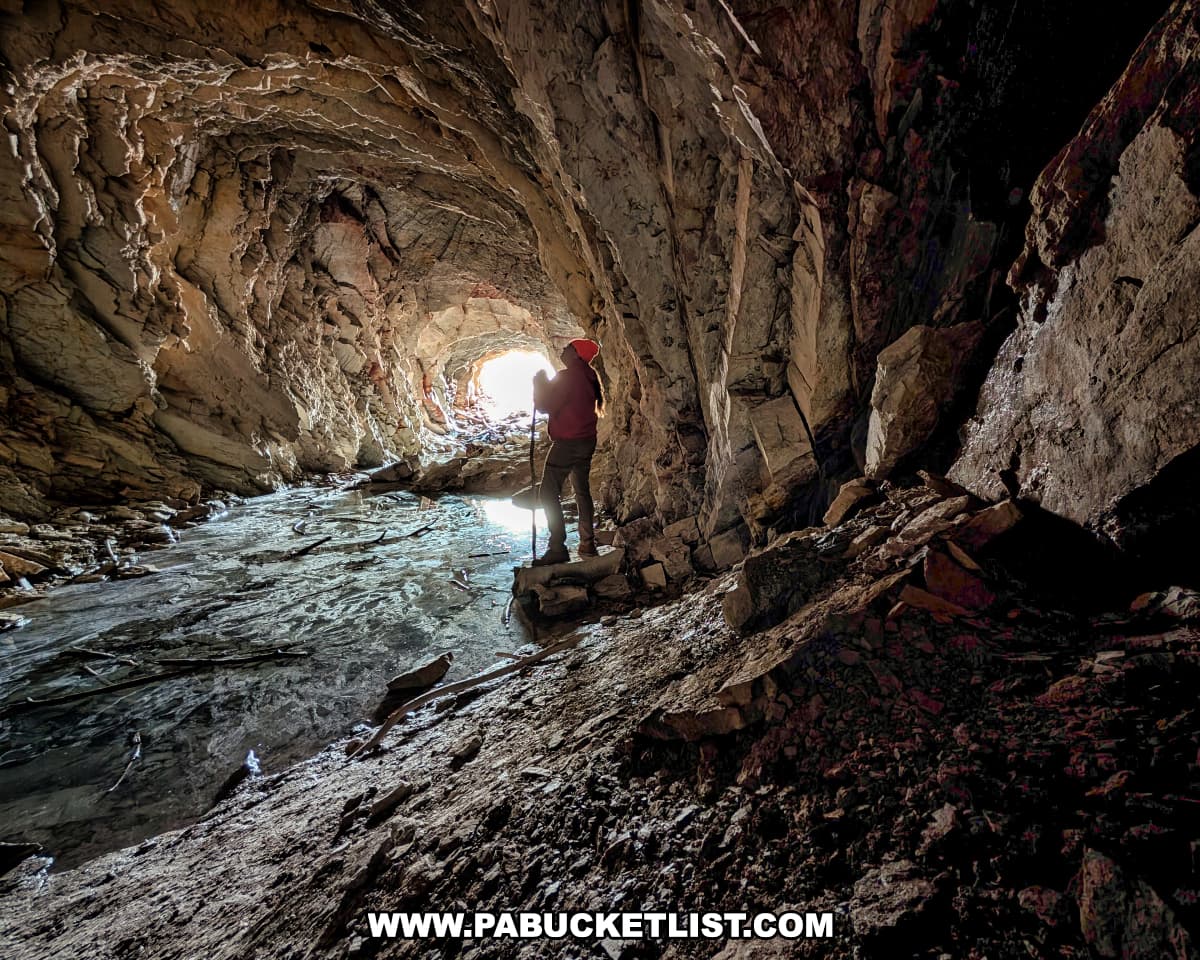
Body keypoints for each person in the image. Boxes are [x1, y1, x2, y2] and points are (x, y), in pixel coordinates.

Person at [531, 338, 604, 565]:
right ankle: (587, 543)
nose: (563, 350)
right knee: (581, 491)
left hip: (568, 443)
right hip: (586, 440)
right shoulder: (590, 375)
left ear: (576, 354)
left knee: (548, 493)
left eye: (568, 348)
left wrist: (539, 385)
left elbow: (546, 406)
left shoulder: (569, 376)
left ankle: (557, 547)